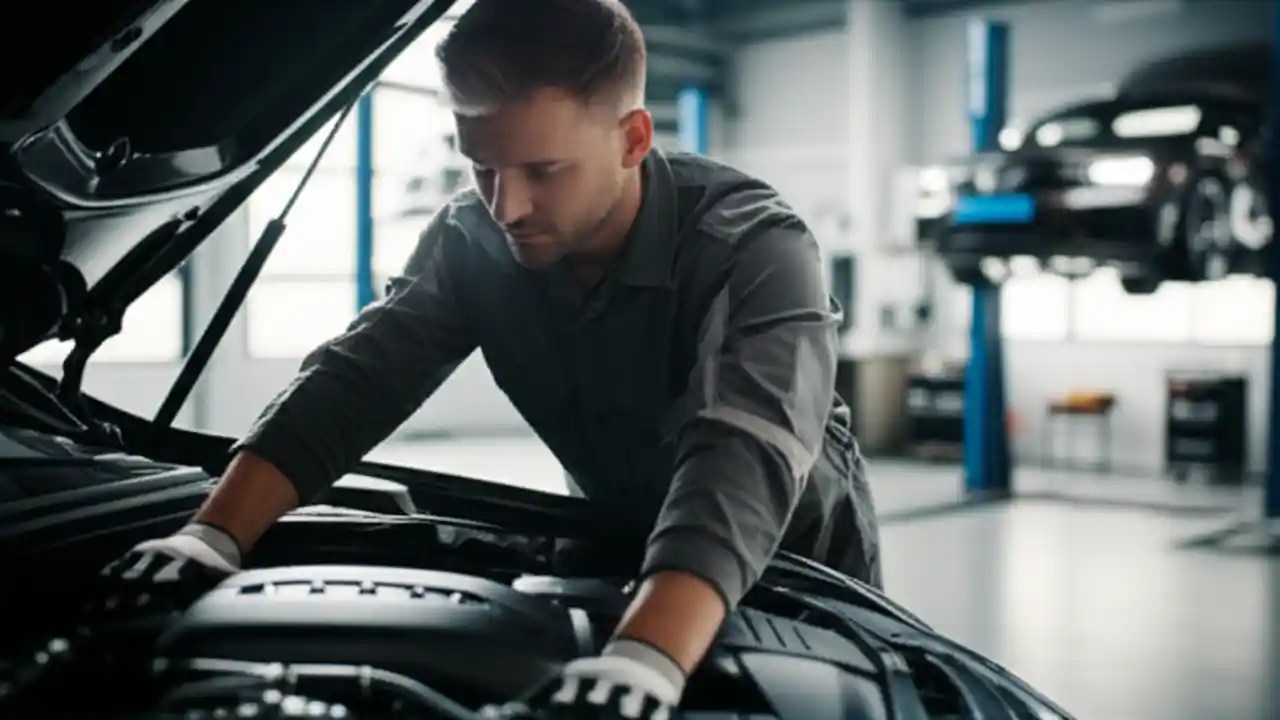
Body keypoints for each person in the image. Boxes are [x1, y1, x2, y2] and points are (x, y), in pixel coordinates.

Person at [105, 1, 882, 717]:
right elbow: (358, 379)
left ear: (633, 139)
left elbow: (737, 456)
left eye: (544, 172)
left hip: (796, 567)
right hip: (615, 531)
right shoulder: (472, 236)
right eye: (481, 166)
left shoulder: (756, 248)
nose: (506, 207)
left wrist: (647, 657)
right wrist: (209, 538)